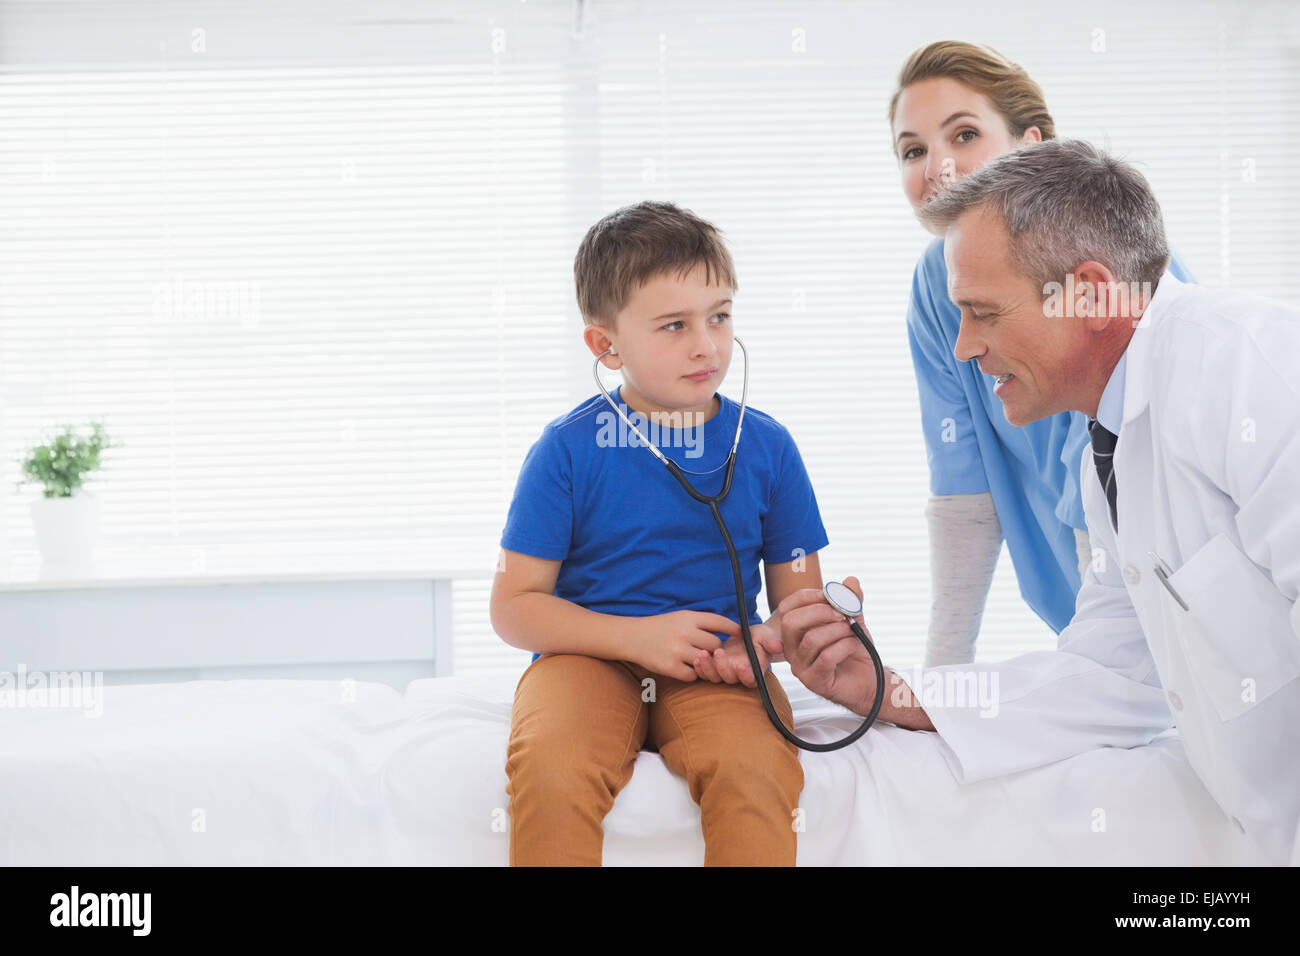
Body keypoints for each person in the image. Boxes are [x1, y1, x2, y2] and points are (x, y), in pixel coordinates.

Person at [775, 139, 1300, 865]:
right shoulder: (1109, 450)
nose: (963, 347)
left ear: (1087, 291)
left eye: (982, 312)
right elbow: (1108, 679)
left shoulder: (1250, 368)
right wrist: (884, 691)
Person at [490, 200, 829, 866]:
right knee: (552, 771)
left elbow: (797, 601)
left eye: (720, 316)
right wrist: (635, 638)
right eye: (674, 325)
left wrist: (780, 635)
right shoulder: (567, 450)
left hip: (717, 665)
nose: (706, 344)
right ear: (605, 344)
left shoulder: (766, 447)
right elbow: (514, 606)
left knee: (756, 770)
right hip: (585, 657)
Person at [889, 41, 1195, 664]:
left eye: (965, 134)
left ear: (1032, 144)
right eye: (913, 150)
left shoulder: (1122, 270)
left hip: (1162, 609)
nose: (939, 168)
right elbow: (963, 487)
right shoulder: (933, 287)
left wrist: (1099, 665)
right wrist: (943, 678)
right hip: (1077, 611)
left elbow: (1109, 466)